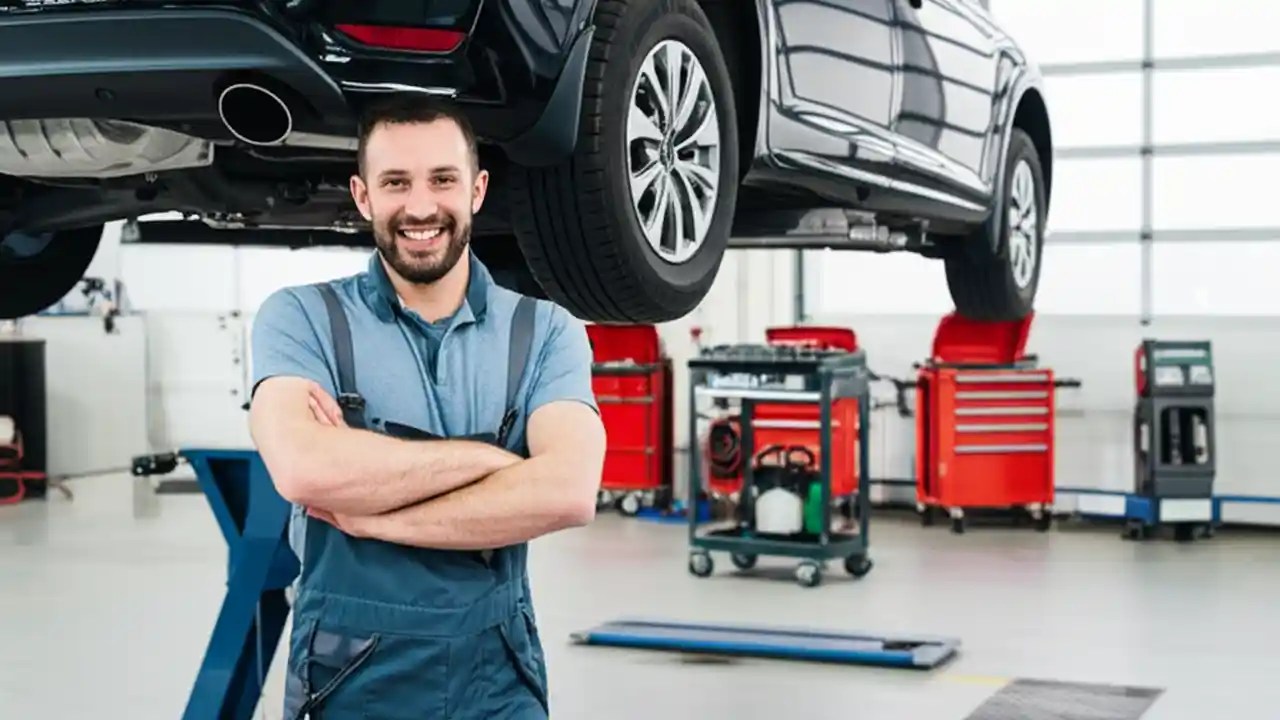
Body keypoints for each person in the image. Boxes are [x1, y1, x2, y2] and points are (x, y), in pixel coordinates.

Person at [247, 93, 605, 719]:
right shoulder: (301, 317)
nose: (419, 207)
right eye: (395, 183)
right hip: (349, 670)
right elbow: (306, 472)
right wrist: (496, 461)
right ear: (363, 197)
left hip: (497, 674)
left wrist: (370, 517)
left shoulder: (546, 330)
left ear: (477, 189)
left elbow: (568, 490)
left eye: (442, 179)